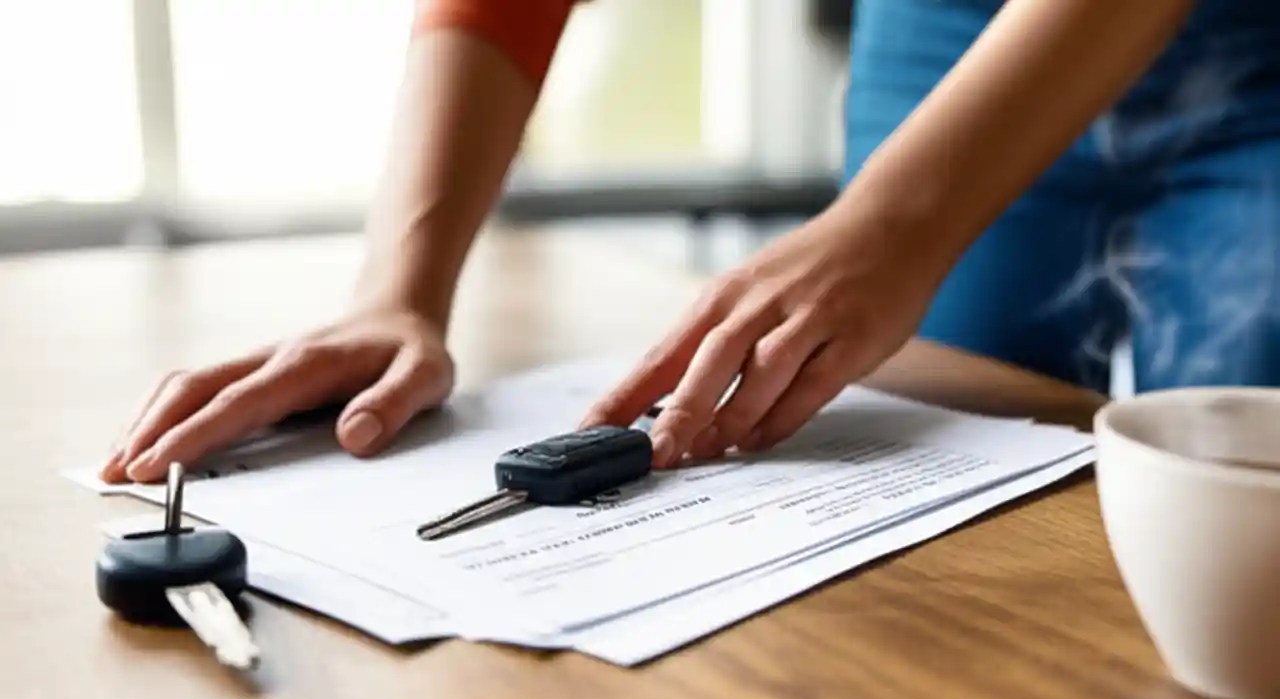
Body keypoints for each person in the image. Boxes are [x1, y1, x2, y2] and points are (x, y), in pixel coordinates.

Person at [101, 0, 1275, 484]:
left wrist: (892, 224)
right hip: (946, 20)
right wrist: (395, 292)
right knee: (931, 450)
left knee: (1240, 491)